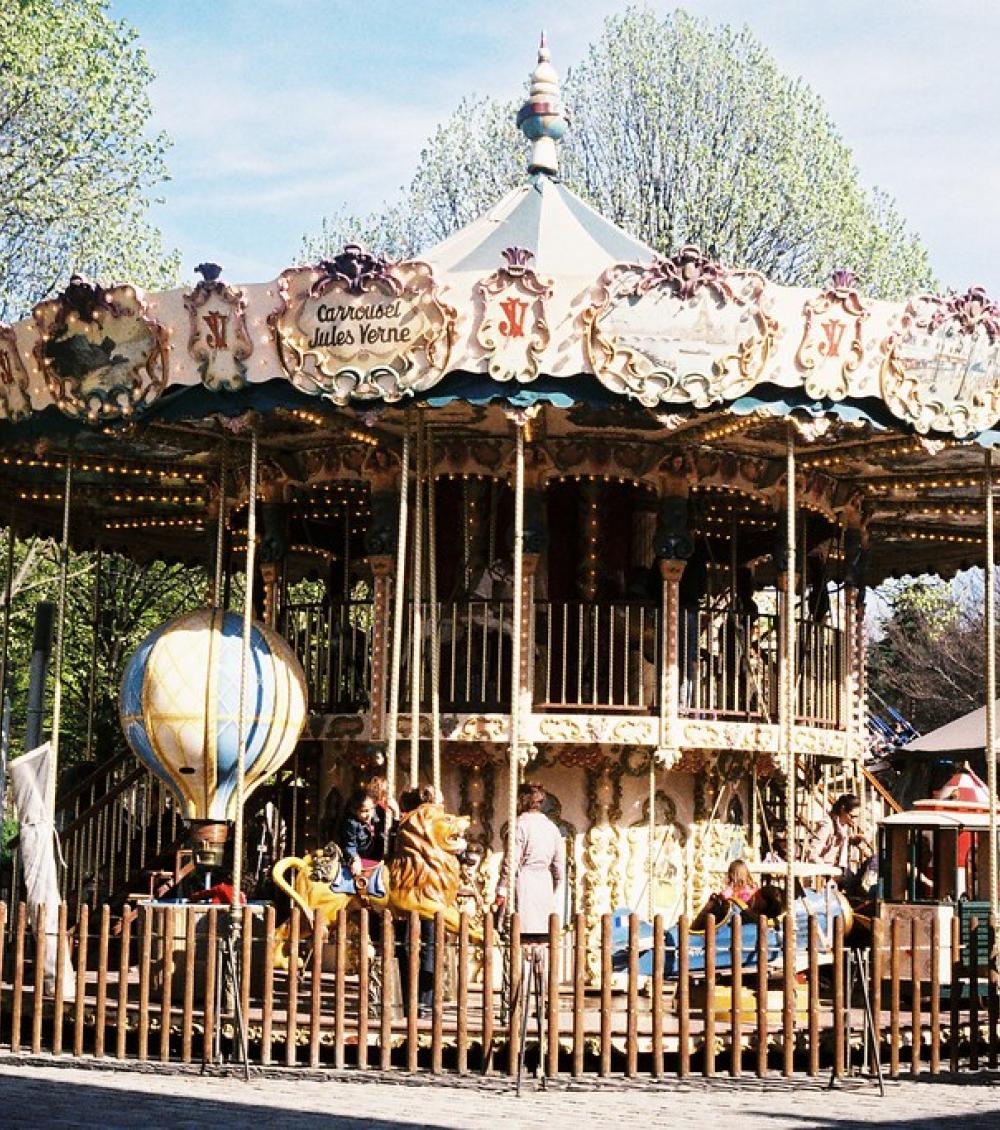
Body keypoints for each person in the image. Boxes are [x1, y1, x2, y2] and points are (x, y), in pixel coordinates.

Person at [494, 782, 565, 940]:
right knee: (542, 939)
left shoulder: (519, 826)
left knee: (521, 936)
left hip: (524, 882)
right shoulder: (552, 828)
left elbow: (510, 862)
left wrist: (501, 889)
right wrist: (552, 886)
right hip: (544, 884)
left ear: (521, 801)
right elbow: (559, 868)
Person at [807, 793, 873, 893]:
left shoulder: (843, 824)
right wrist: (828, 871)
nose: (854, 820)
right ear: (842, 810)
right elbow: (812, 853)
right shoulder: (827, 825)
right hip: (828, 872)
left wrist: (856, 839)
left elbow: (840, 841)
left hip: (841, 869)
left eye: (856, 817)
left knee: (870, 864)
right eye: (852, 816)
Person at [340, 787, 389, 879]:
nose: (368, 814)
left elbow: (390, 826)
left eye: (371, 809)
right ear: (355, 811)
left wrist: (396, 812)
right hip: (361, 858)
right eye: (364, 811)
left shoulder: (377, 815)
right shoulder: (352, 824)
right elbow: (350, 845)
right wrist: (355, 859)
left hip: (378, 856)